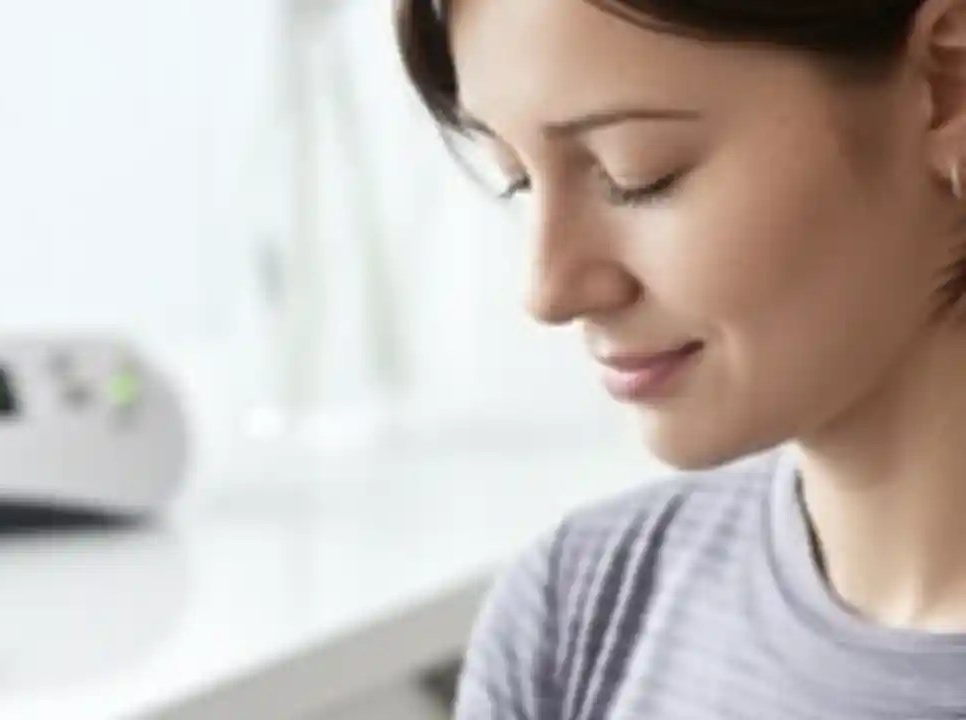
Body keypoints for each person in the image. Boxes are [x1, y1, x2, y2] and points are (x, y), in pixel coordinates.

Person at [395, 0, 966, 717]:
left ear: (948, 84)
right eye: (518, 180)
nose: (549, 291)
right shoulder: (577, 617)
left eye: (635, 174)